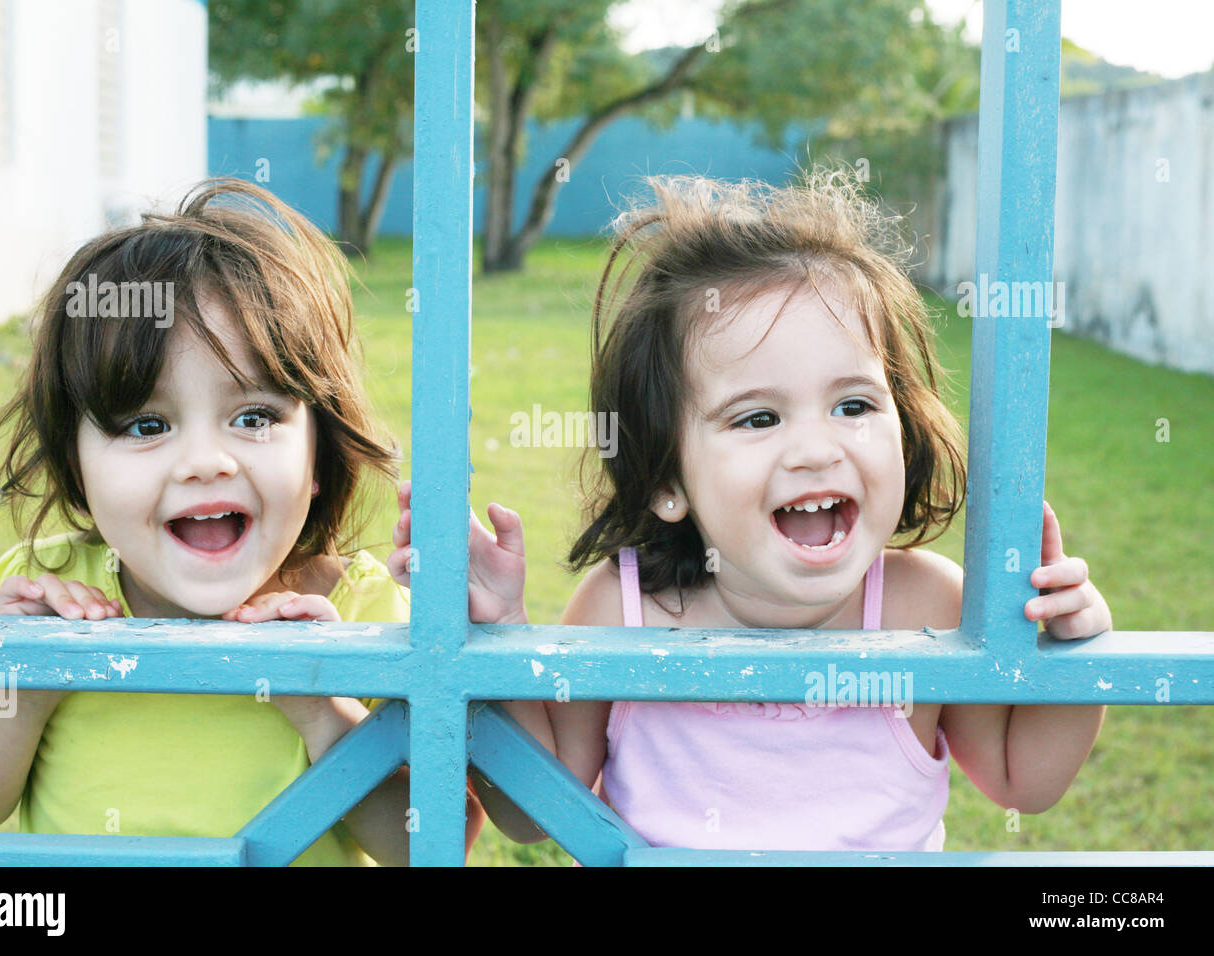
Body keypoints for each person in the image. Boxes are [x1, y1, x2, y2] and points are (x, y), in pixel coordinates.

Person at [389, 168, 1112, 853]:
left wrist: (1076, 651)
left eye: (854, 404)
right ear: (668, 478)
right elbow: (531, 814)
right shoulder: (625, 607)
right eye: (758, 419)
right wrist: (501, 639)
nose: (814, 449)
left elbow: (1026, 780)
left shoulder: (923, 600)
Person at [0, 179, 482, 865]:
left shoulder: (362, 610)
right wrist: (28, 682)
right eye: (147, 425)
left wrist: (323, 707)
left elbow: (433, 841)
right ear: (78, 467)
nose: (205, 462)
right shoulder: (41, 593)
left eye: (254, 418)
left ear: (318, 453)